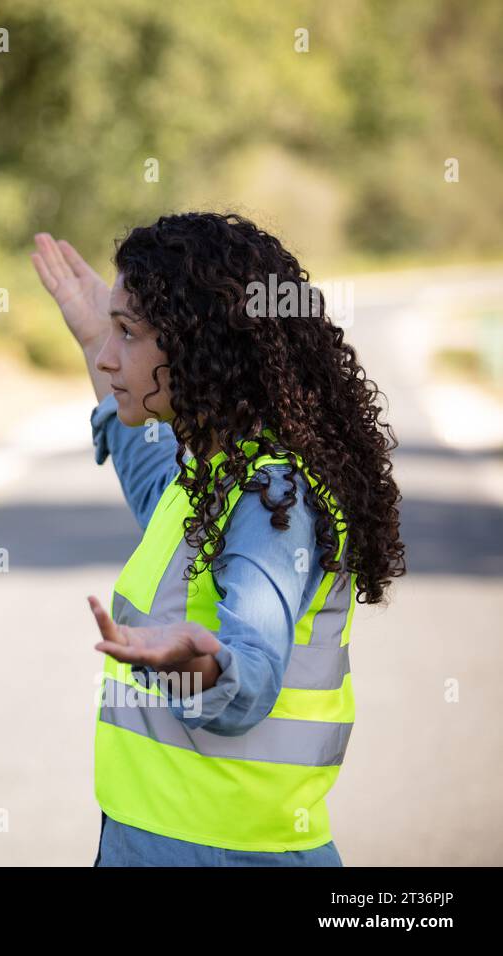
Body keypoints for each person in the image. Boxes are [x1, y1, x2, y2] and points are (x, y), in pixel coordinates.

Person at [31, 213, 406, 866]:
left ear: (199, 344)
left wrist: (199, 665)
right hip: (160, 843)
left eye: (128, 333)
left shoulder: (273, 498)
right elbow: (150, 471)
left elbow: (252, 672)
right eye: (110, 332)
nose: (107, 358)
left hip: (228, 854)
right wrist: (95, 330)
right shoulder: (208, 473)